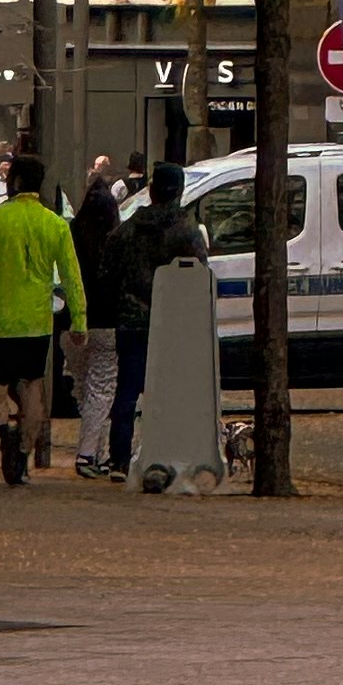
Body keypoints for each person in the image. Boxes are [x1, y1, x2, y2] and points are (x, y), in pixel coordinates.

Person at [0, 147, 86, 487]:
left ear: (13, 182)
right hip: (37, 323)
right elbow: (72, 277)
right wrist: (79, 320)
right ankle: (24, 450)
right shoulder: (56, 225)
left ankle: (6, 433)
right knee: (32, 389)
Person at [108, 162, 206, 482]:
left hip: (131, 319)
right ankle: (163, 456)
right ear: (180, 192)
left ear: (151, 191)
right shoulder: (186, 231)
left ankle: (119, 459)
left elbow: (107, 270)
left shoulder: (128, 230)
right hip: (172, 324)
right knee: (169, 393)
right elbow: (200, 276)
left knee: (127, 390)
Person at [71, 157, 126, 478]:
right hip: (106, 321)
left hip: (72, 323)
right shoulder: (116, 241)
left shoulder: (72, 232)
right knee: (102, 389)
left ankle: (97, 451)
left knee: (83, 389)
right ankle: (88, 453)